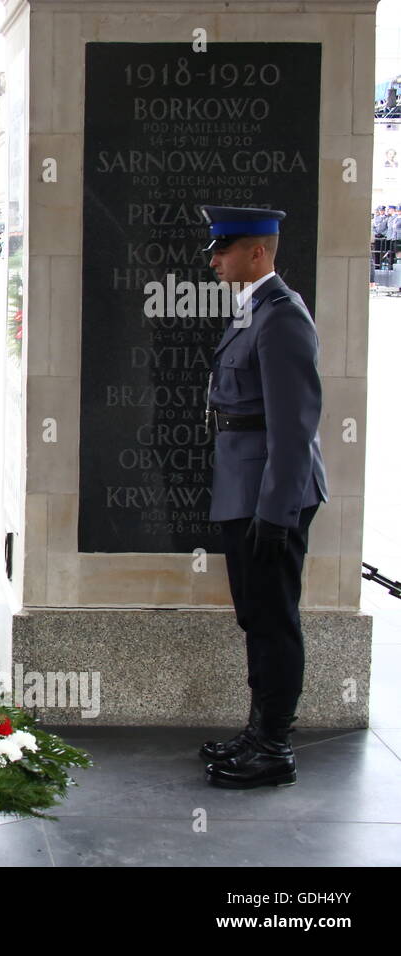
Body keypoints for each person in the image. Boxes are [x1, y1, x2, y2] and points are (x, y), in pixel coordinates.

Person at [197, 205, 329, 790]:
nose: (214, 260)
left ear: (259, 252)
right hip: (245, 489)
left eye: (223, 250)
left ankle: (274, 748)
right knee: (258, 618)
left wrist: (275, 513)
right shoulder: (255, 311)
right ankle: (258, 733)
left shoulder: (281, 317)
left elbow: (294, 428)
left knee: (275, 621)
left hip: (269, 497)